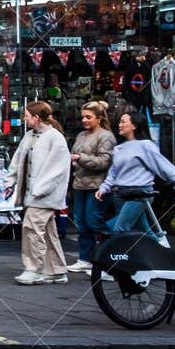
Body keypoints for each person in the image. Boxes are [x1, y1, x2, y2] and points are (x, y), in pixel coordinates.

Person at [97, 106, 175, 239]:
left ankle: (118, 259)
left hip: (139, 194)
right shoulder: (118, 148)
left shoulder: (146, 145)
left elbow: (163, 166)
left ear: (134, 125)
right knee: (143, 231)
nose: (120, 125)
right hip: (120, 194)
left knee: (118, 230)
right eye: (120, 122)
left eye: (123, 122)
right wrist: (104, 187)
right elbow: (113, 172)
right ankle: (160, 253)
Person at [5, 100, 70, 285]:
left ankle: (35, 269)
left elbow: (57, 169)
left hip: (44, 195)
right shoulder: (29, 136)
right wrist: (10, 181)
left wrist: (39, 189)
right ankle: (57, 271)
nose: (25, 119)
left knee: (31, 227)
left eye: (27, 116)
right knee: (48, 231)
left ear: (36, 117)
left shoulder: (55, 138)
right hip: (35, 193)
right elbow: (18, 159)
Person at [66, 101, 115, 274]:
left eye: (89, 117)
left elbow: (104, 162)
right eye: (83, 117)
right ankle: (85, 258)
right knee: (81, 223)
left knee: (94, 221)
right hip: (80, 184)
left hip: (97, 185)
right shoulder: (81, 135)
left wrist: (80, 158)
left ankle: (106, 258)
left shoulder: (106, 137)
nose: (85, 120)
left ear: (99, 118)